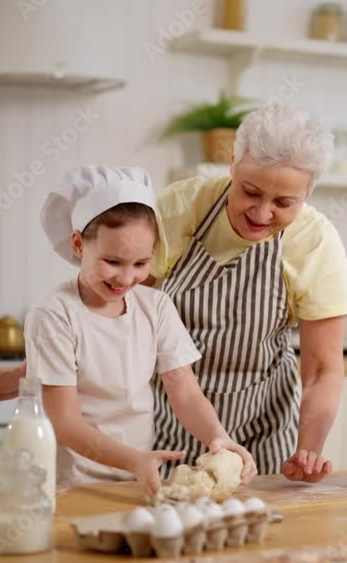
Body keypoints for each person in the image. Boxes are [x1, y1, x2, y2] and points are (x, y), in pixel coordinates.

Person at [0, 104, 347, 483]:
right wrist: (25, 377)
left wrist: (308, 450)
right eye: (250, 191)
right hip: (168, 423)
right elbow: (111, 321)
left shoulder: (315, 242)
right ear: (233, 161)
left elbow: (322, 369)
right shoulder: (181, 208)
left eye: (284, 203)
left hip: (264, 428)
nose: (262, 213)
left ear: (307, 195)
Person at [24, 165, 255, 496]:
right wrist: (134, 460)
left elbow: (185, 391)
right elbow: (66, 422)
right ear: (78, 244)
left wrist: (219, 436)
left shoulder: (156, 307)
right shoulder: (54, 316)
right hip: (70, 488)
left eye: (140, 264)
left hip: (136, 483)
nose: (126, 278)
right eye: (113, 262)